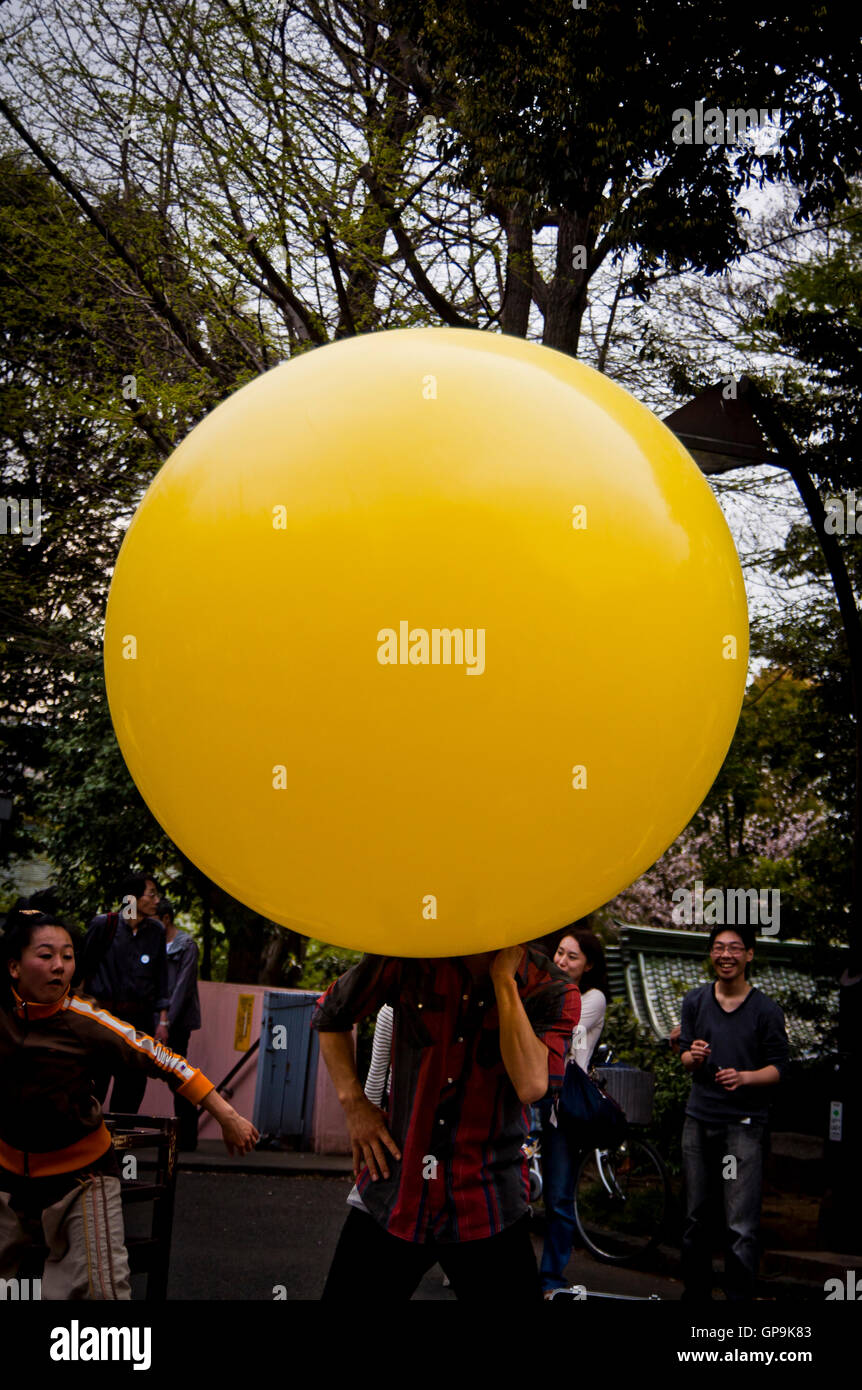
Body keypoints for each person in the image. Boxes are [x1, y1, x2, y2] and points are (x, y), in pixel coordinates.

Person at [0, 908, 258, 1299]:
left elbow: (165, 1059)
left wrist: (228, 1115)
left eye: (67, 956)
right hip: (8, 1175)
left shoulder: (86, 1021)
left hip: (80, 1179)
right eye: (46, 955)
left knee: (104, 1291)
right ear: (14, 967)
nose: (59, 967)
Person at [312, 944, 580, 1301]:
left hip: (487, 1197)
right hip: (396, 1189)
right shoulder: (409, 954)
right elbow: (332, 1013)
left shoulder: (550, 987)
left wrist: (503, 982)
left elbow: (532, 1084)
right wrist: (354, 1105)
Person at [678, 923, 790, 1301]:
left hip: (741, 1127)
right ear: (711, 954)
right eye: (719, 948)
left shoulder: (765, 1010)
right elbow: (685, 1058)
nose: (726, 955)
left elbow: (779, 1068)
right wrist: (693, 1057)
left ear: (749, 955)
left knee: (739, 1222)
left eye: (735, 948)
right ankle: (696, 1294)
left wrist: (744, 1077)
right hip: (699, 1120)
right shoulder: (695, 1000)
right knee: (695, 1215)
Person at [537, 927, 610, 1297]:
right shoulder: (548, 989)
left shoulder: (592, 997)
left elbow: (561, 1032)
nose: (562, 961)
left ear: (589, 965)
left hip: (563, 1107)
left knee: (560, 1196)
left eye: (572, 957)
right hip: (535, 1094)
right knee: (514, 1184)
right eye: (560, 953)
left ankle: (551, 1279)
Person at [83, 875, 170, 1114]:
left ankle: (122, 1149)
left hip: (138, 1021)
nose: (157, 900)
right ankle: (89, 1144)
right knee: (94, 1084)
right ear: (132, 898)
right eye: (151, 894)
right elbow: (82, 969)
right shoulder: (104, 925)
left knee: (131, 1087)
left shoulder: (155, 931)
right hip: (103, 1017)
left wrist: (163, 1021)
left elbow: (161, 978)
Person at [157, 897, 202, 1150]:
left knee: (177, 1074)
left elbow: (182, 988)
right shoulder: (152, 943)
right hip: (158, 1018)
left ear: (166, 919)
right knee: (173, 1075)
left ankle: (187, 1136)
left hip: (177, 1021)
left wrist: (166, 1020)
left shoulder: (186, 946)